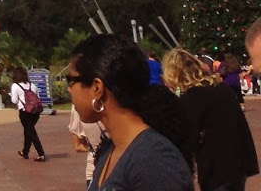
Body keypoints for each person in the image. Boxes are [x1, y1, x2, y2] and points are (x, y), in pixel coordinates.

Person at [65, 33, 192, 190]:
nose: (68, 89)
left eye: (71, 81)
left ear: (97, 88)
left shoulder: (153, 160)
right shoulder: (110, 149)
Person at [163, 47, 257, 191]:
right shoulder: (221, 88)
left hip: (216, 167)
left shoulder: (192, 97)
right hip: (238, 162)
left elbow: (188, 138)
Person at [11, 70, 48, 160]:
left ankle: (41, 153)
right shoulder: (32, 85)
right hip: (35, 112)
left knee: (31, 132)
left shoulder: (15, 86)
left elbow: (14, 100)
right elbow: (37, 98)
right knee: (28, 131)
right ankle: (25, 151)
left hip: (25, 112)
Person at [69, 105, 105, 187]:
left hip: (93, 167)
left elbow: (78, 146)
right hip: (122, 167)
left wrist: (95, 148)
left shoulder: (78, 105)